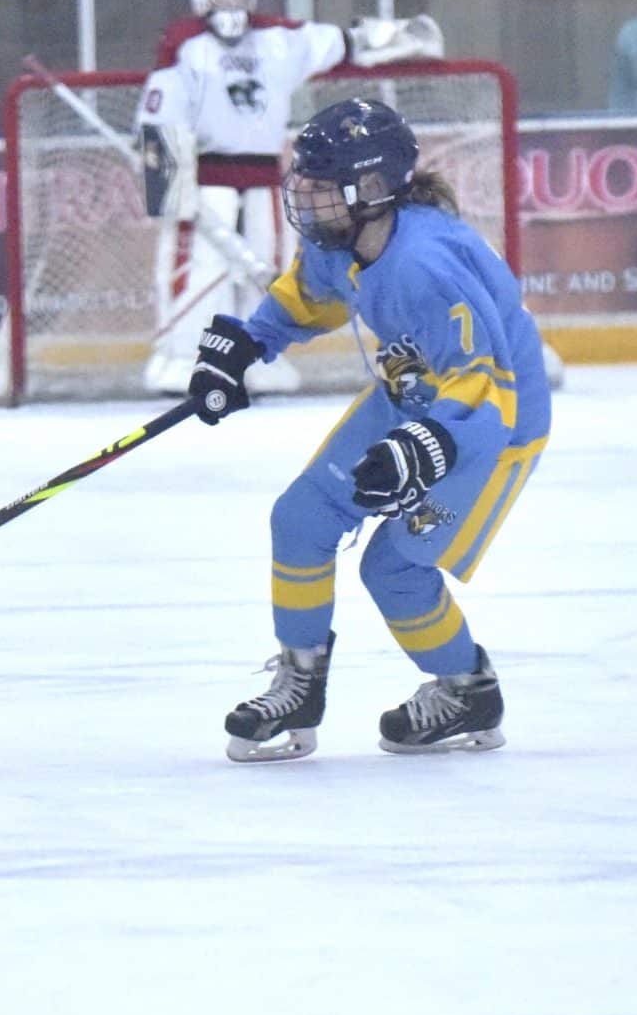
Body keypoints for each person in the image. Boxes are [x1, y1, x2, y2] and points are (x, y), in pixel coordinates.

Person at [184, 97, 551, 762]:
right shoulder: (344, 236)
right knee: (301, 519)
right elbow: (310, 295)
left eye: (323, 186)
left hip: (493, 426)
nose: (306, 197)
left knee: (394, 569)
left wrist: (427, 445)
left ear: (374, 187)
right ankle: (299, 686)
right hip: (414, 394)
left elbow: (486, 384)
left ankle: (467, 689)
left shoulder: (425, 264)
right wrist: (247, 344)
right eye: (306, 182)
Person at [135, 0, 445, 396]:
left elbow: (345, 42)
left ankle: (254, 361)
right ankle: (180, 361)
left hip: (263, 178)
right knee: (199, 270)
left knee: (268, 267)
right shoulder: (185, 44)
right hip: (203, 179)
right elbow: (158, 113)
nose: (232, 2)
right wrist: (165, 176)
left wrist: (402, 37)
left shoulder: (276, 39)